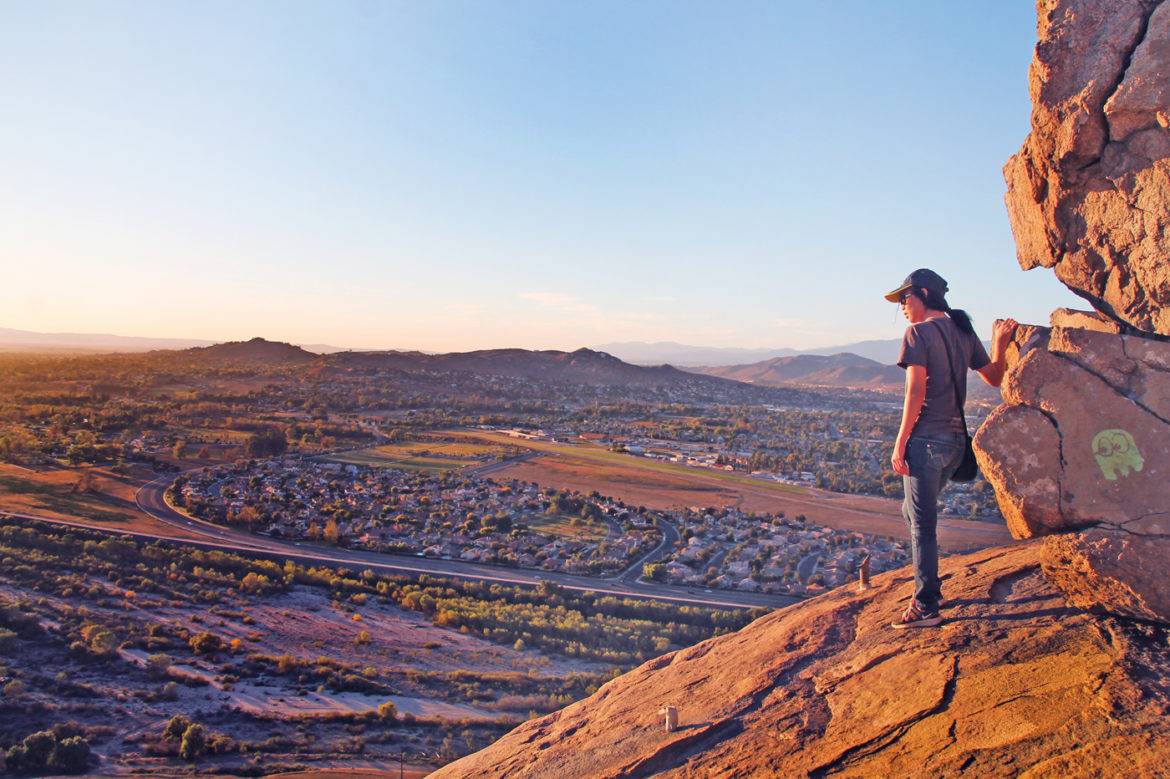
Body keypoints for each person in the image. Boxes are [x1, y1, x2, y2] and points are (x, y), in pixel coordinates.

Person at [884, 269, 1017, 629]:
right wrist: (1000, 344)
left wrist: (901, 440)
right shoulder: (962, 331)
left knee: (922, 526)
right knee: (912, 513)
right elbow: (994, 376)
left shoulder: (917, 334)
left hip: (926, 442)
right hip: (955, 444)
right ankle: (930, 591)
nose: (902, 306)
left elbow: (916, 391)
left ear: (924, 295)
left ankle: (926, 605)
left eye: (905, 298)